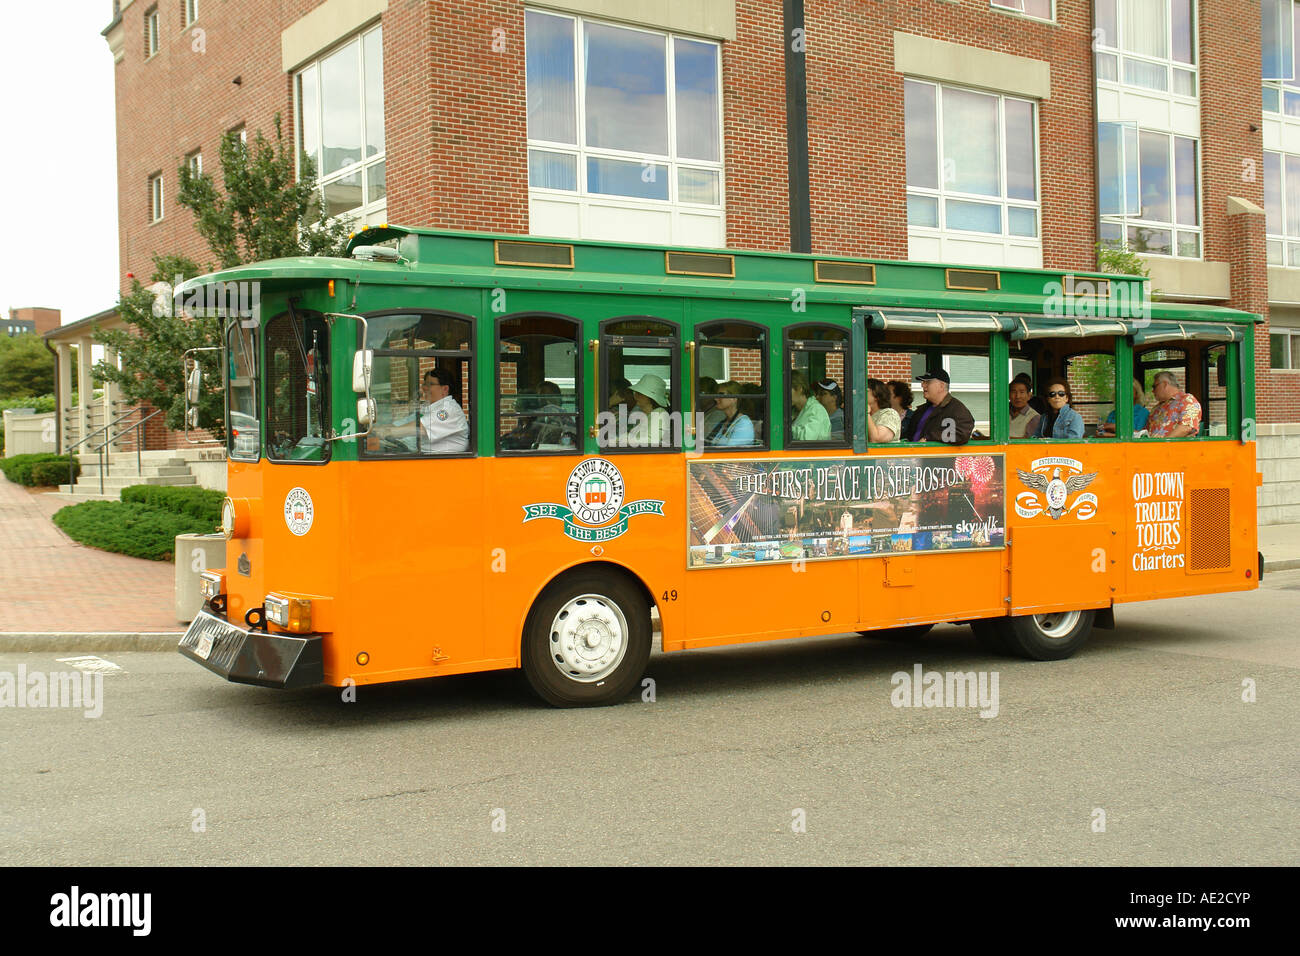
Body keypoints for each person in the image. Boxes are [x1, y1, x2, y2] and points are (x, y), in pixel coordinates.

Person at [377, 368, 469, 453]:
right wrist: (375, 429)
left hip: (441, 464)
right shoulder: (428, 407)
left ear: (444, 389)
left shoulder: (449, 410)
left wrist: (387, 432)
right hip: (418, 455)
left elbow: (420, 428)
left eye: (429, 384)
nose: (424, 388)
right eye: (424, 384)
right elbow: (403, 423)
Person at [906, 369, 974, 444]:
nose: (922, 385)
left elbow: (961, 434)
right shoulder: (922, 410)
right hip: (912, 454)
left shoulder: (957, 410)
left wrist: (929, 438)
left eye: (927, 382)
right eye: (923, 382)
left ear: (941, 386)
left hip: (933, 455)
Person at [1147, 370, 1201, 438]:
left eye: (1154, 387)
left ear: (1164, 384)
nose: (1152, 391)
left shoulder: (1187, 400)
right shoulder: (1156, 408)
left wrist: (1163, 444)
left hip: (1176, 447)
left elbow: (1186, 428)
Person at [705, 380, 756, 446]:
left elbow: (733, 451)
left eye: (721, 395)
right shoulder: (721, 423)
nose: (715, 398)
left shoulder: (744, 423)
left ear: (734, 398)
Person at [628, 373, 671, 446]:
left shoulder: (660, 415)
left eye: (639, 393)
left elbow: (650, 442)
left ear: (650, 398)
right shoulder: (647, 415)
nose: (635, 396)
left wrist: (625, 440)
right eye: (635, 392)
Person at [790, 370, 831, 441]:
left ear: (799, 389)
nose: (783, 395)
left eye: (787, 390)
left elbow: (808, 438)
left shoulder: (816, 410)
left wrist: (785, 430)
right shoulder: (793, 411)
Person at [866, 378, 901, 442]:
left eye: (866, 390)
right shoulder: (860, 415)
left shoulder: (890, 414)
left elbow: (877, 439)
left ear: (876, 394)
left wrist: (866, 412)